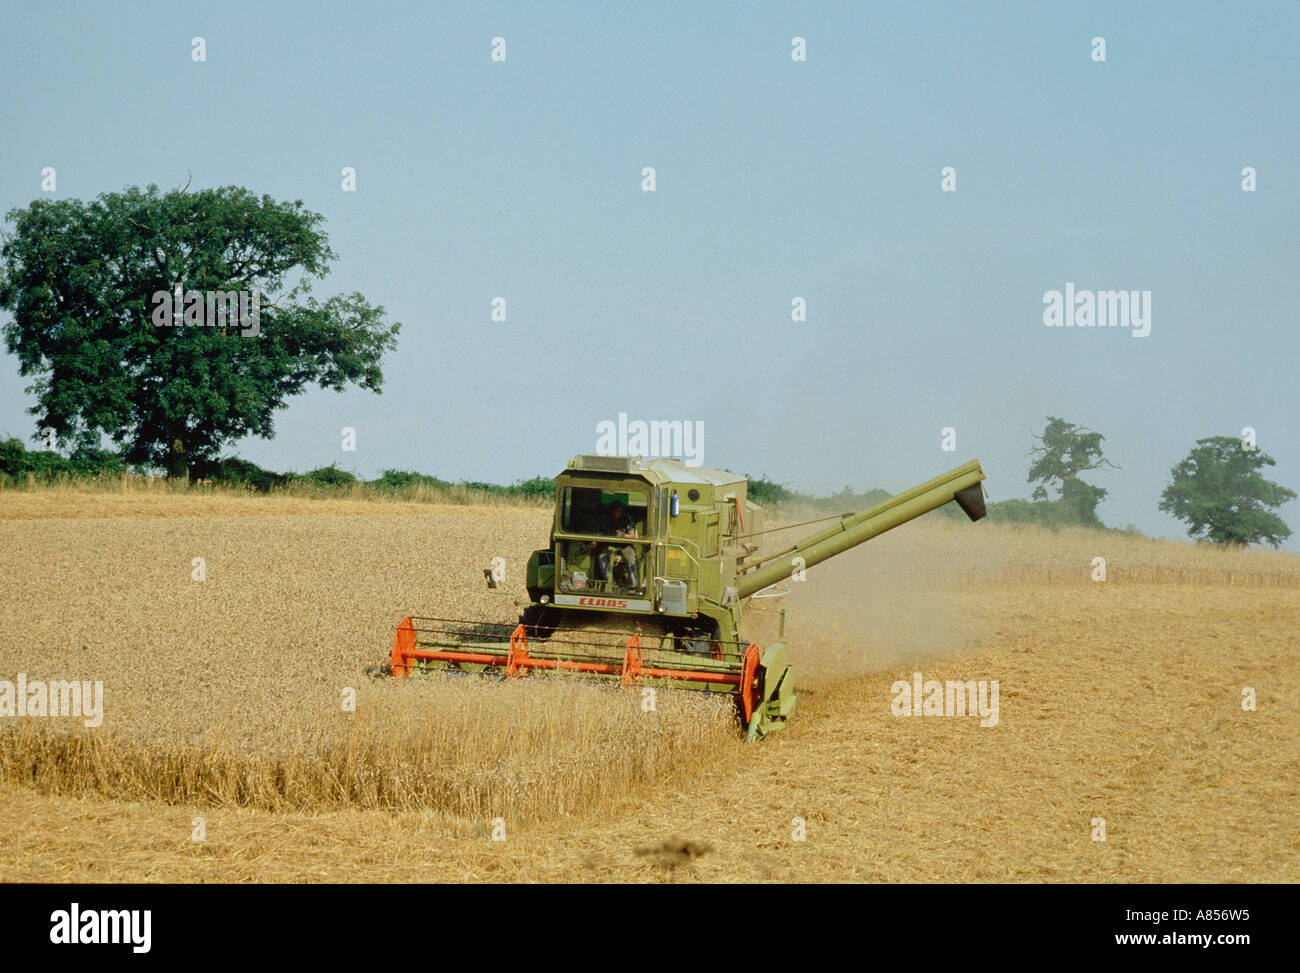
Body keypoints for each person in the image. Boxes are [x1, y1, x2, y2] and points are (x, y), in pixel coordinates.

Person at [592, 500, 639, 588]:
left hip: (625, 546)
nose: (616, 514)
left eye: (618, 512)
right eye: (614, 512)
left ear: (621, 511)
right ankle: (611, 583)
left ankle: (634, 584)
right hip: (610, 546)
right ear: (611, 511)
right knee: (602, 557)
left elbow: (632, 535)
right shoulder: (606, 520)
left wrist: (624, 535)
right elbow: (599, 533)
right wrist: (595, 541)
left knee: (630, 558)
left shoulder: (627, 519)